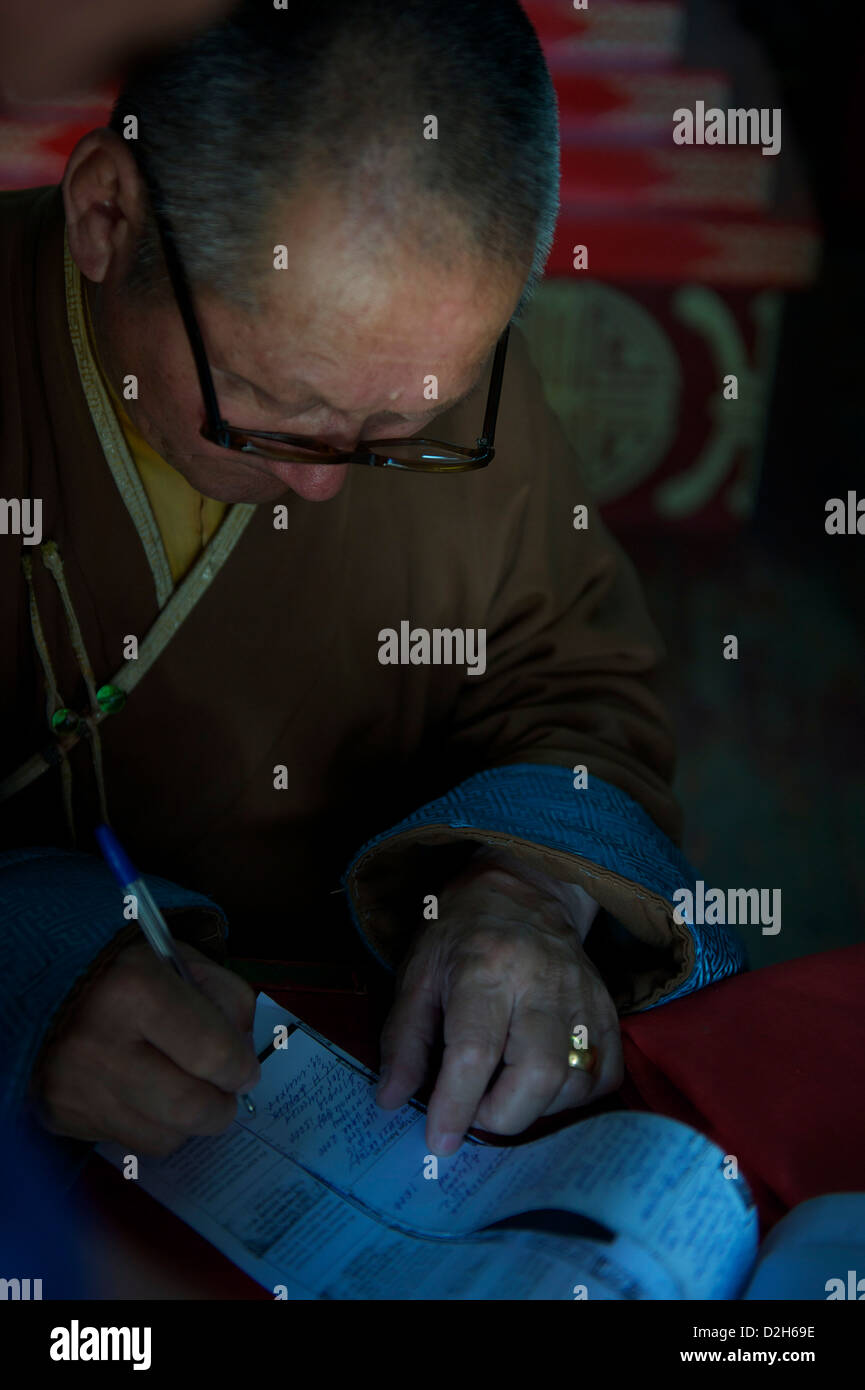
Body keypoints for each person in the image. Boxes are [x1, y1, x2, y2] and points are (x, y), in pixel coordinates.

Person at [0, 0, 744, 1177]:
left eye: (400, 426)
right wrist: (24, 975)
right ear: (107, 214)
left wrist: (528, 889)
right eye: (270, 405)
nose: (320, 482)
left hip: (353, 1076)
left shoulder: (433, 370)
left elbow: (575, 684)